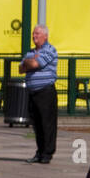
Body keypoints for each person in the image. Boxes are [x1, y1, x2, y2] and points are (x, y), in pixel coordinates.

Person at [22, 24, 57, 163]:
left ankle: (47, 153)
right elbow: (21, 68)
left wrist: (28, 63)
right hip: (33, 92)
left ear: (45, 36)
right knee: (36, 124)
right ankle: (39, 151)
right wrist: (29, 61)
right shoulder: (31, 52)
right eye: (33, 33)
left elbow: (35, 65)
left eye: (37, 34)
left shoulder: (50, 50)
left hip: (45, 92)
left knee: (47, 123)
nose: (34, 36)